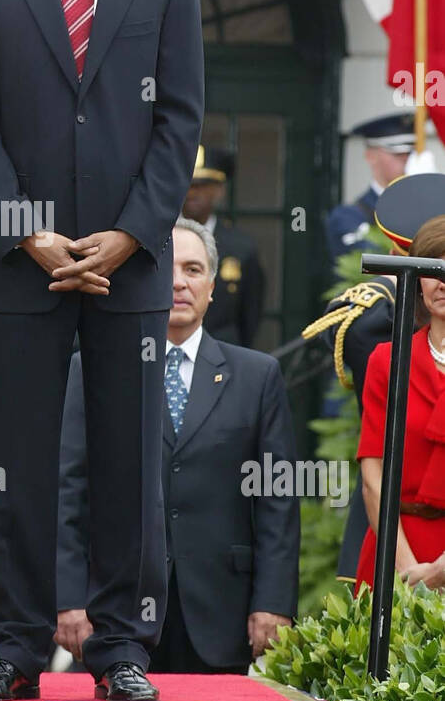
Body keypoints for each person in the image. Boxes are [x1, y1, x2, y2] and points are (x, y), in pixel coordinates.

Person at [0, 0, 204, 701]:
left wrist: (134, 233)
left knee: (125, 464)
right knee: (11, 458)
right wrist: (29, 236)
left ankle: (120, 646)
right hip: (25, 264)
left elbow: (179, 121)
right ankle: (13, 644)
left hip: (127, 264)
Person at [56, 219, 298, 674]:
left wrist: (274, 602)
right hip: (113, 614)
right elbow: (69, 489)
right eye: (164, 267)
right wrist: (69, 598)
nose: (178, 282)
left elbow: (276, 503)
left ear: (211, 286)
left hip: (220, 615)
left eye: (192, 269)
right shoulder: (93, 371)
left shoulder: (257, 377)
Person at [302, 175, 445, 578]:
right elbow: (361, 332)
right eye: (434, 263)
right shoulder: (387, 343)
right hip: (395, 542)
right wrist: (398, 281)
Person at [356, 212, 445, 593]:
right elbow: (373, 480)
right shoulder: (387, 360)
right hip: (395, 552)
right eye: (432, 267)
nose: (442, 281)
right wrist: (411, 574)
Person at [182, 145, 265, 347]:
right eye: (188, 184)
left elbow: (249, 317)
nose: (193, 192)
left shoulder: (242, 248)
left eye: (202, 185)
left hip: (222, 356)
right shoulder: (157, 239)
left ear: (219, 190)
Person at [325, 113, 415, 263]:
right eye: (398, 154)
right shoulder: (347, 216)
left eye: (411, 154)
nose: (407, 161)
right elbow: (372, 259)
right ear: (371, 156)